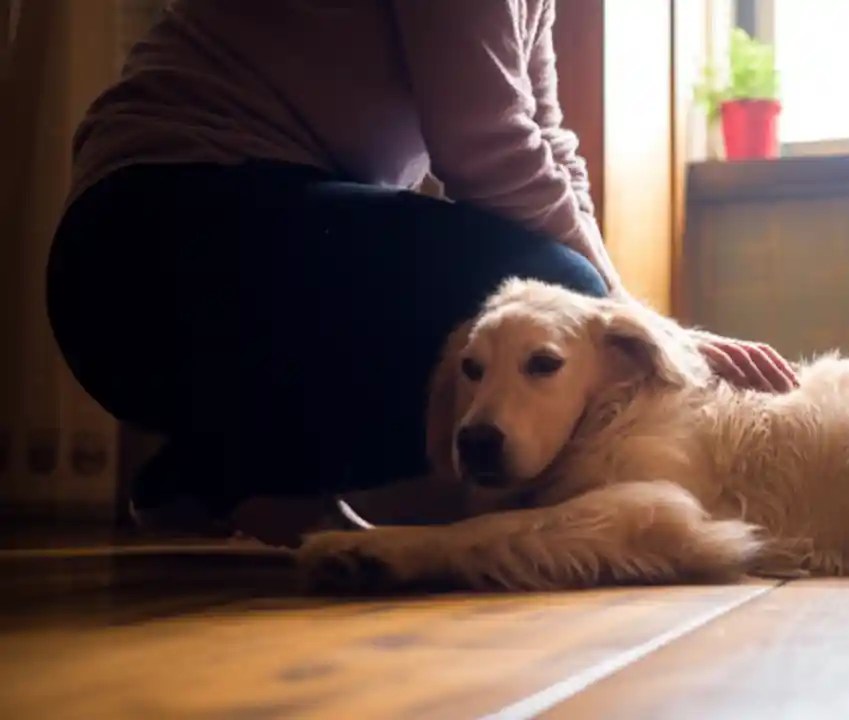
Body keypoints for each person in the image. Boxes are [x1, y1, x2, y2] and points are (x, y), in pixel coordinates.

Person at [45, 0, 796, 546]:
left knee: (556, 286)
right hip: (149, 245)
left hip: (197, 257)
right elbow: (487, 152)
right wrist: (640, 330)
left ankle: (219, 470)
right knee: (535, 283)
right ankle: (243, 469)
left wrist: (632, 321)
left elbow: (548, 142)